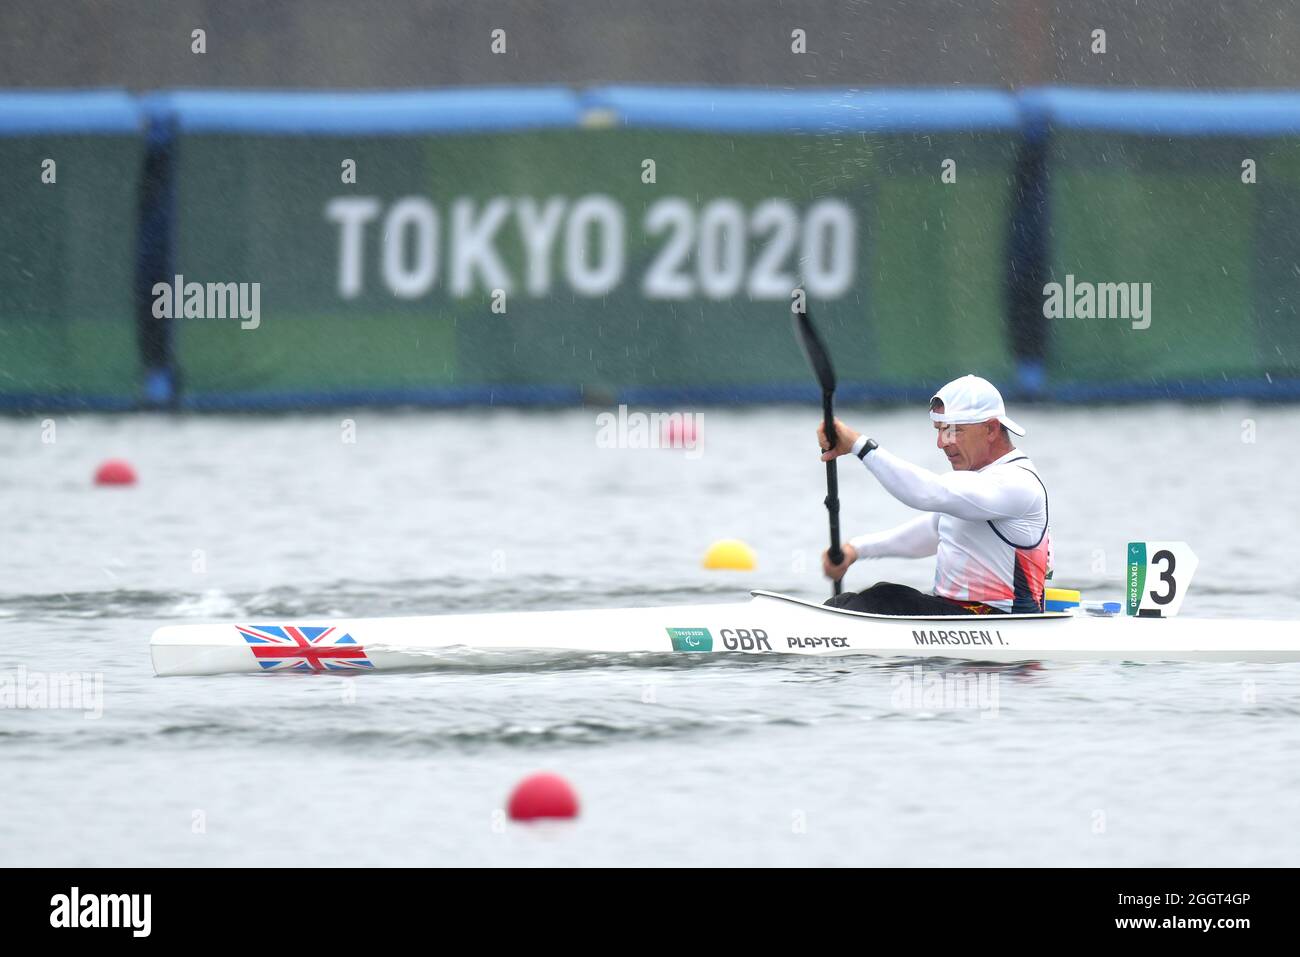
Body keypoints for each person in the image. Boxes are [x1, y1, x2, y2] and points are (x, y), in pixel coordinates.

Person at [816, 374, 1051, 615]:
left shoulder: (1016, 482)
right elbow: (934, 530)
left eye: (952, 431)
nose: (941, 443)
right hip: (959, 617)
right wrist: (855, 550)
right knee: (883, 594)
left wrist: (859, 445)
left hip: (1002, 623)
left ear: (990, 429)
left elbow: (928, 494)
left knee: (880, 601)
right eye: (939, 430)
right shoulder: (979, 483)